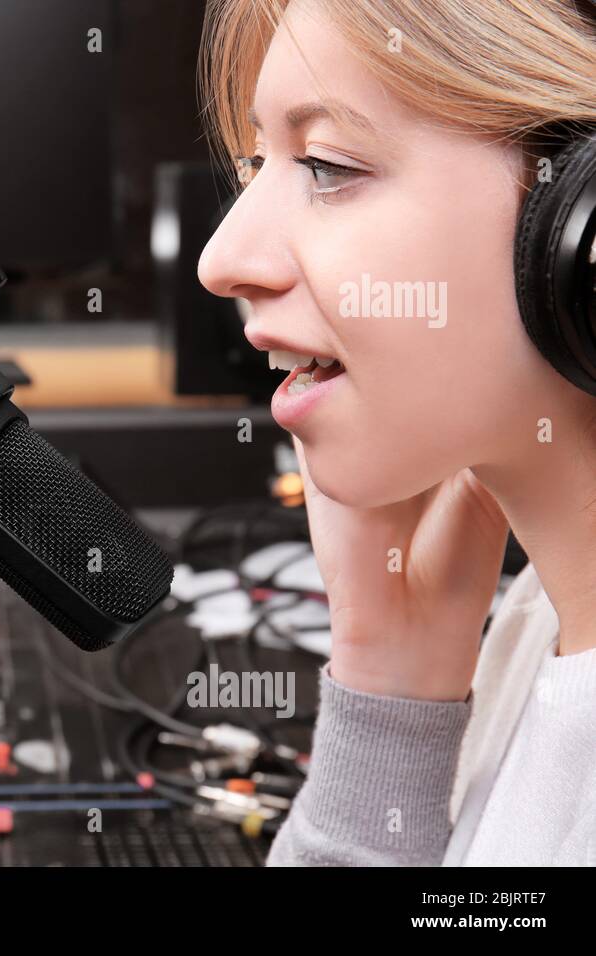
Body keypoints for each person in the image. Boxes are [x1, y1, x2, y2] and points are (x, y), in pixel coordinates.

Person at [196, 0, 596, 864]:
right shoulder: (541, 628)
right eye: (256, 166)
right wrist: (389, 678)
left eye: (327, 165)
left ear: (579, 222)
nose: (221, 259)